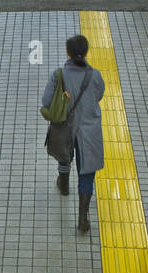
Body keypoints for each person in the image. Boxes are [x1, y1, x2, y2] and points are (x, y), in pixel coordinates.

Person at [41, 34, 106, 234]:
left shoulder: (59, 75)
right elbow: (100, 94)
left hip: (65, 126)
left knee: (65, 154)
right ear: (86, 53)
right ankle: (83, 217)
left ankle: (64, 184)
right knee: (86, 172)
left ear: (68, 52)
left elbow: (46, 101)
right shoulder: (94, 75)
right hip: (89, 130)